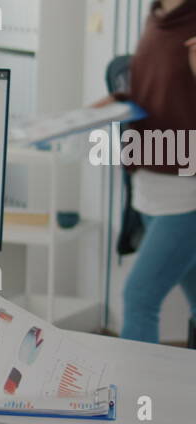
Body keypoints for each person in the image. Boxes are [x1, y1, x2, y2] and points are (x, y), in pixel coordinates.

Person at [92, 0, 196, 343]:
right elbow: (154, 87)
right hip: (151, 188)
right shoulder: (157, 17)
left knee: (139, 299)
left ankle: (137, 395)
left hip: (186, 196)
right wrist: (119, 100)